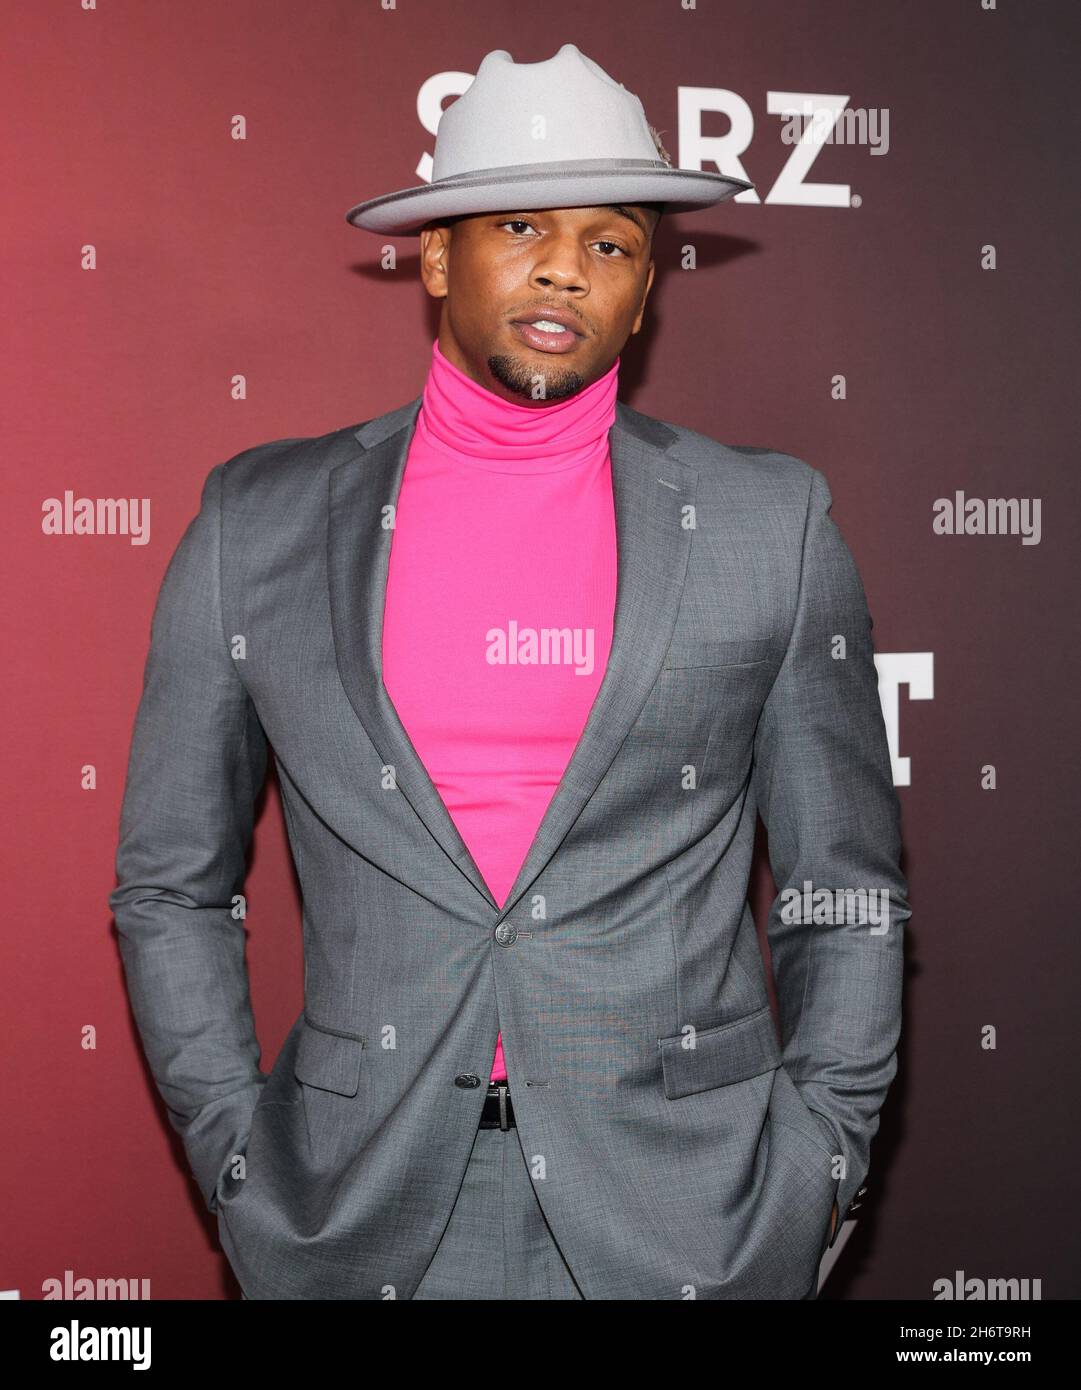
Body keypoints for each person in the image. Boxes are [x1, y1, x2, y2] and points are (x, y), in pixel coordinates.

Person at [110, 42, 908, 1300]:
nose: (563, 268)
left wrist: (823, 1155)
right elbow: (170, 885)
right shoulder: (258, 524)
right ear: (435, 256)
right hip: (360, 1214)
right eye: (521, 224)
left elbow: (843, 888)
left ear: (645, 291)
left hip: (695, 1214)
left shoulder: (773, 526)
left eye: (611, 243)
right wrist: (231, 1152)